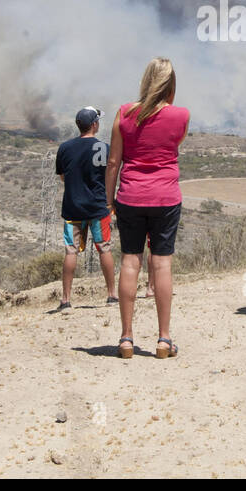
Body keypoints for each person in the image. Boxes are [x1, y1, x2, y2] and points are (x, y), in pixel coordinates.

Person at [105, 58, 189, 359]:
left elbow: (113, 161)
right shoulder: (181, 116)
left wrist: (109, 199)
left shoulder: (124, 114)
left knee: (130, 261)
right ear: (171, 86)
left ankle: (126, 338)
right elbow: (172, 145)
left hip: (130, 195)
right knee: (162, 264)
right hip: (166, 197)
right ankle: (164, 339)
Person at [55, 107, 117, 310]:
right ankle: (111, 295)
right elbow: (109, 175)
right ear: (94, 124)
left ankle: (65, 300)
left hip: (73, 208)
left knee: (71, 251)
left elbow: (63, 176)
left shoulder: (65, 148)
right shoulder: (104, 147)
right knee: (104, 248)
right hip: (98, 208)